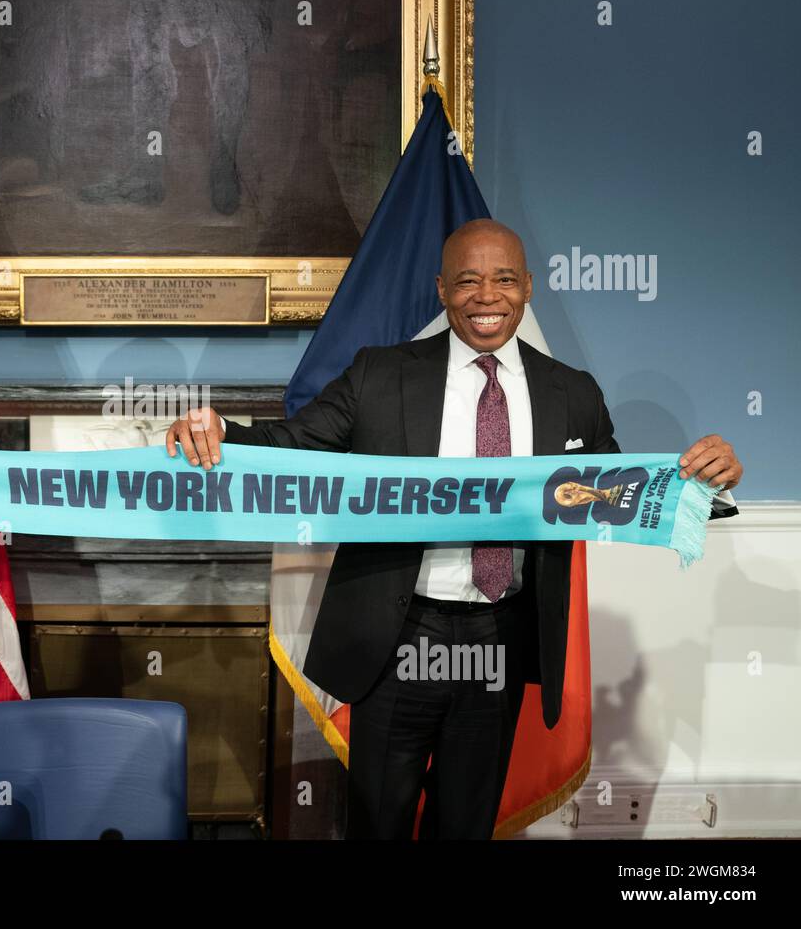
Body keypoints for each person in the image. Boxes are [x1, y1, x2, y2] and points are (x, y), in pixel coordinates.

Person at [166, 219, 742, 838]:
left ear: (527, 288)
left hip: (500, 638)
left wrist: (711, 484)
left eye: (503, 280)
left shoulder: (572, 393)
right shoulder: (379, 375)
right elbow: (293, 445)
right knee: (377, 825)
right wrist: (223, 432)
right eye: (468, 281)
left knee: (465, 828)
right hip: (398, 635)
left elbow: (622, 498)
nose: (486, 296)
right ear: (442, 290)